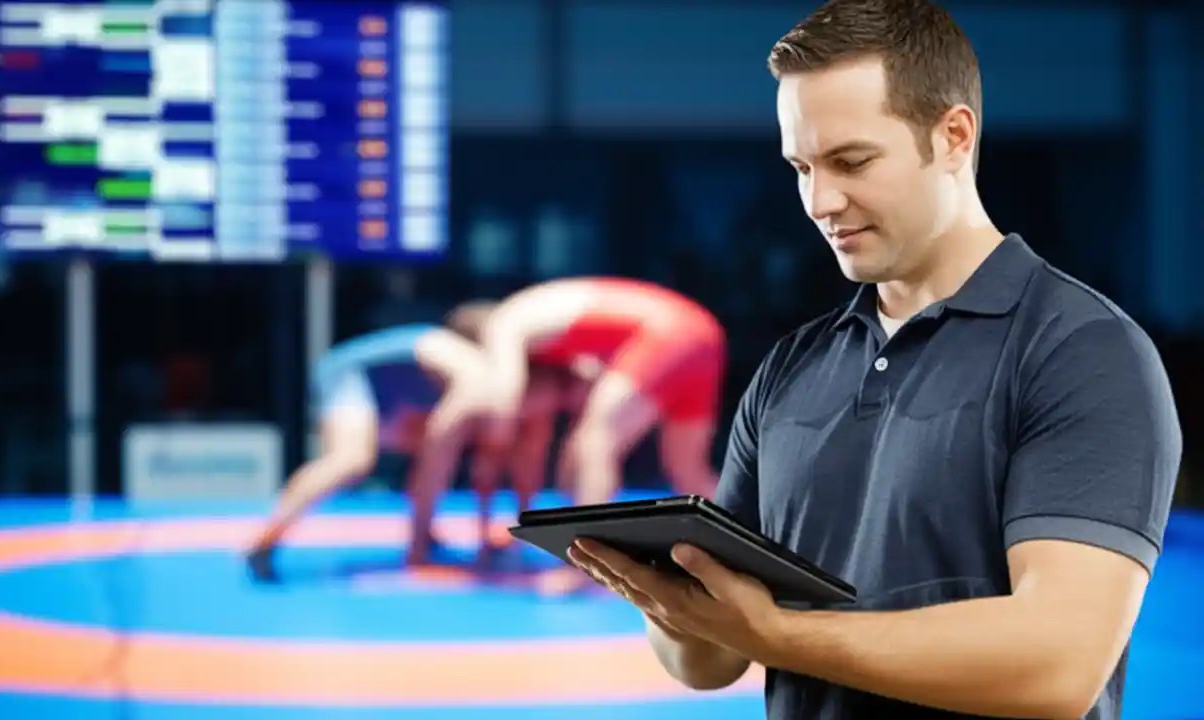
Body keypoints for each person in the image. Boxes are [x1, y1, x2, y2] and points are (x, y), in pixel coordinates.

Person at [567, 1, 1182, 719]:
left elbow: (1058, 666)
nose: (821, 200)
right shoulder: (791, 370)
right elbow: (708, 661)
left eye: (851, 161)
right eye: (801, 166)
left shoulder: (1083, 352)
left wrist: (783, 636)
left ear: (953, 136)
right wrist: (666, 600)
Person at [446, 277, 728, 592]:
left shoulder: (502, 324)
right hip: (701, 332)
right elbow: (591, 374)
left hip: (667, 334)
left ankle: (586, 568)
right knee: (687, 468)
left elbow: (504, 397)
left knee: (597, 440)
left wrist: (486, 442)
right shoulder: (543, 321)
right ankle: (750, 555)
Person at [244, 323, 556, 581]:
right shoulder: (476, 374)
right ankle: (267, 539)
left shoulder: (476, 374)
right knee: (351, 460)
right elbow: (441, 459)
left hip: (385, 391)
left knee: (435, 446)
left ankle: (425, 534)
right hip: (349, 375)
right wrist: (416, 555)